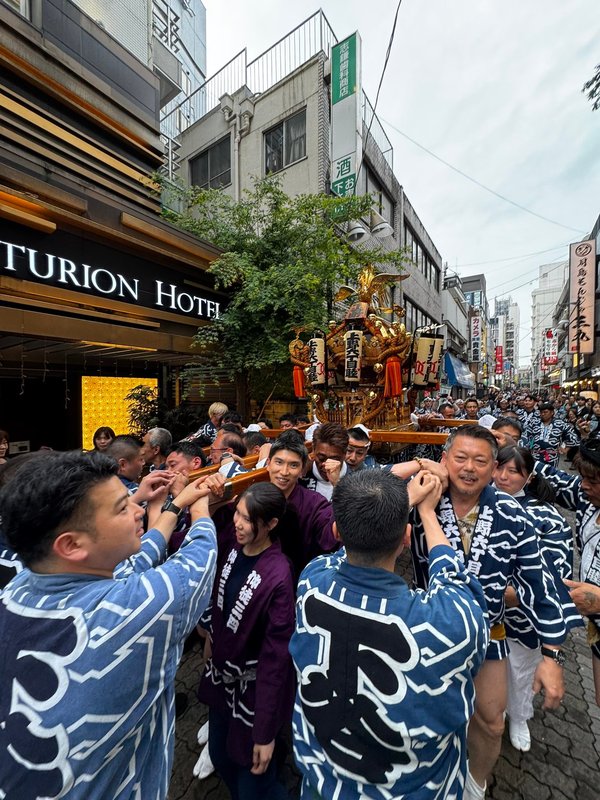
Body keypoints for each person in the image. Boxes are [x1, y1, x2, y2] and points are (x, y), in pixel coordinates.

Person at [0, 450, 217, 799]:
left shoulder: (17, 589)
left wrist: (171, 507)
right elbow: (197, 562)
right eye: (122, 507)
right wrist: (200, 508)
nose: (138, 509)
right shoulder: (131, 612)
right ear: (70, 544)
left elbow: (132, 562)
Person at [290, 469, 489, 799]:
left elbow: (346, 550)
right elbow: (455, 583)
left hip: (323, 783)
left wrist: (396, 504)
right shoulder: (451, 621)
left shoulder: (312, 581)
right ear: (407, 538)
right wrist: (425, 511)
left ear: (337, 530)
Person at [410, 426, 567, 800]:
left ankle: (475, 785)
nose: (469, 468)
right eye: (459, 458)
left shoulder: (512, 513)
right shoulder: (420, 499)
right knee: (427, 721)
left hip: (489, 633)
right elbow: (364, 514)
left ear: (494, 467)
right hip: (428, 633)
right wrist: (413, 476)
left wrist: (551, 654)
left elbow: (539, 585)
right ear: (444, 459)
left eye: (480, 461)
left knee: (492, 721)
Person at [198, 482, 295, 800]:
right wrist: (212, 634)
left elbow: (275, 660)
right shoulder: (233, 543)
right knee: (220, 753)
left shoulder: (278, 576)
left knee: (255, 781)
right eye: (237, 513)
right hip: (221, 679)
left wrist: (265, 732)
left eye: (247, 519)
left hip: (253, 694)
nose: (237, 523)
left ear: (270, 525)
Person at [493, 445, 580, 752]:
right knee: (489, 667)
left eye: (513, 471)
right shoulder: (478, 503)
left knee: (520, 670)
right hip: (485, 614)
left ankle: (519, 716)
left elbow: (557, 571)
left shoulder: (546, 516)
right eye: (499, 468)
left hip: (523, 615)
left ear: (528, 477)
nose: (503, 477)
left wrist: (518, 595)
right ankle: (493, 712)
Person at [534, 437, 600, 706]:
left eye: (593, 481)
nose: (583, 485)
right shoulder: (589, 501)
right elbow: (557, 480)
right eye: (583, 477)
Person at [106, 434, 172, 506]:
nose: (143, 463)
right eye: (141, 459)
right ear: (123, 465)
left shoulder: (100, 487)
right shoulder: (135, 492)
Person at [301, 422, 348, 501]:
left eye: (334, 459)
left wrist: (337, 484)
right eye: (321, 458)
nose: (327, 466)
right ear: (313, 449)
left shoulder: (357, 480)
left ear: (345, 454)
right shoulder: (301, 475)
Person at [524, 402, 578, 466]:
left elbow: (572, 436)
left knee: (550, 474)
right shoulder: (534, 423)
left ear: (552, 412)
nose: (543, 414)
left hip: (551, 457)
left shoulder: (560, 424)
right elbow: (526, 436)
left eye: (545, 412)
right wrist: (528, 447)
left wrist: (566, 449)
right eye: (541, 412)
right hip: (535, 456)